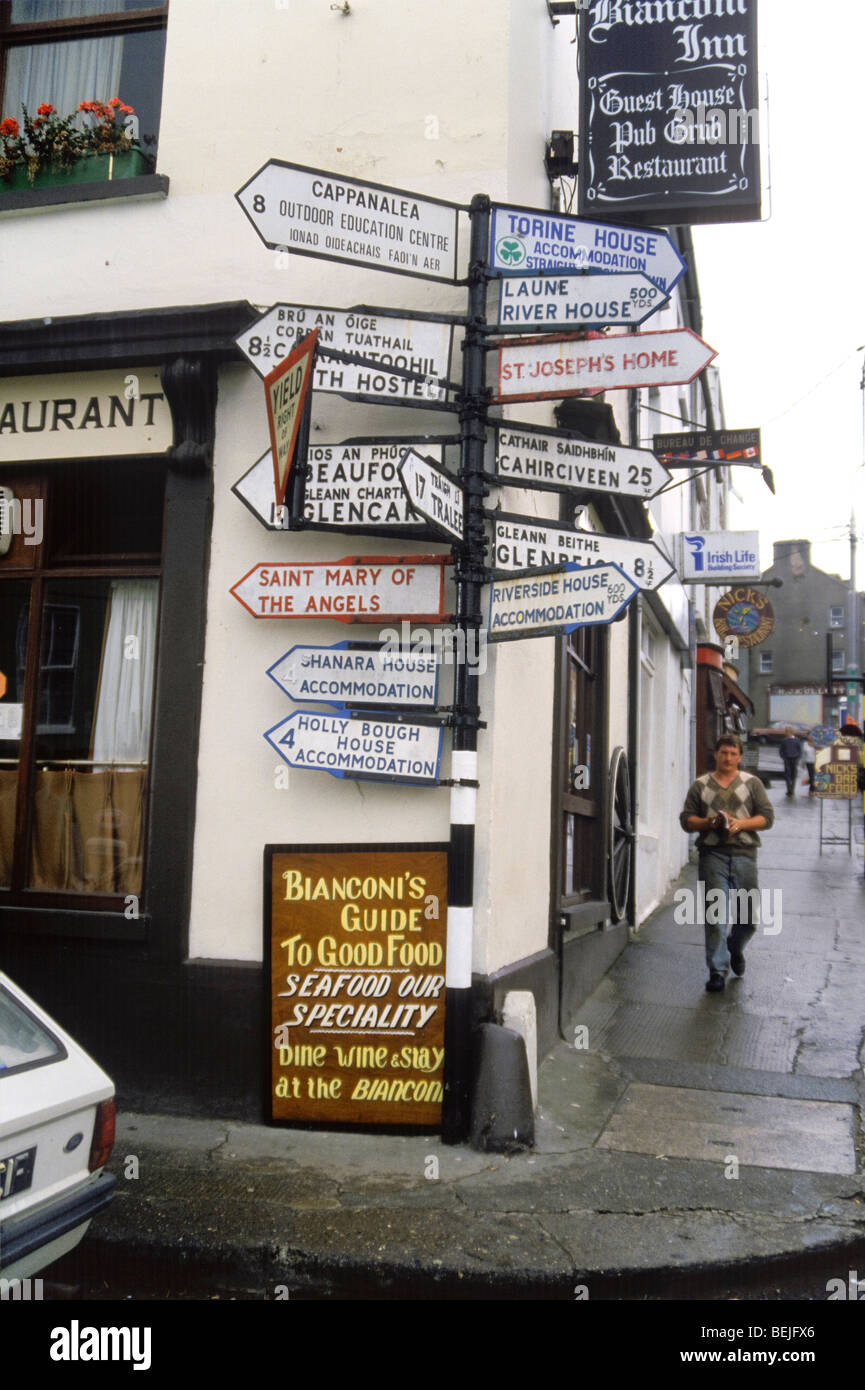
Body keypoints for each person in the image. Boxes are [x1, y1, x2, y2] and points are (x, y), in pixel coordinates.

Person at [680, 734, 775, 993]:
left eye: (733, 754)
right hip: (713, 854)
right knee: (716, 915)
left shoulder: (751, 783)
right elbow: (686, 820)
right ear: (716, 755)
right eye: (724, 753)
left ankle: (735, 946)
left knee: (747, 918)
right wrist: (710, 823)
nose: (728, 758)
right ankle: (717, 970)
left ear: (740, 757)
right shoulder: (700, 785)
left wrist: (740, 823)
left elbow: (767, 817)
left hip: (745, 853)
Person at [778, 727, 802, 796]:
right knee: (787, 775)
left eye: (787, 731)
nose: (785, 733)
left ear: (790, 732)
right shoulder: (784, 740)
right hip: (787, 759)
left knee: (793, 775)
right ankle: (789, 790)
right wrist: (783, 757)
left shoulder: (797, 740)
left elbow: (800, 750)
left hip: (794, 759)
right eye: (785, 731)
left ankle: (792, 789)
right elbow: (781, 750)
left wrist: (798, 758)